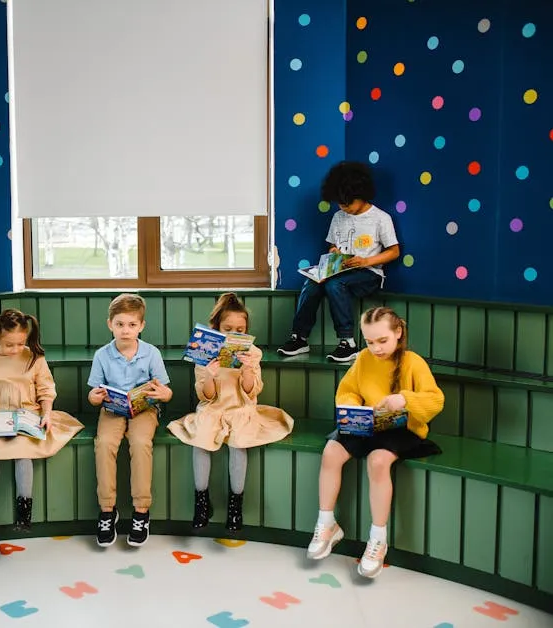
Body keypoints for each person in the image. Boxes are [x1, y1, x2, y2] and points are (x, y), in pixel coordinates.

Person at [306, 307, 444, 578]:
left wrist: (405, 399)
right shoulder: (364, 360)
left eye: (382, 341)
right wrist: (354, 407)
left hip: (403, 429)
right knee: (331, 451)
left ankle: (378, 538)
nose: (376, 348)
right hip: (368, 424)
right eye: (369, 341)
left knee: (378, 460)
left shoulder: (413, 362)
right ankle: (326, 523)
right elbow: (347, 391)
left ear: (398, 333)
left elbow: (435, 399)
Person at [167, 293, 294, 532]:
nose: (234, 333)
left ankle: (236, 505)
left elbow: (251, 391)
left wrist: (247, 369)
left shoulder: (252, 353)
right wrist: (210, 374)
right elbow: (205, 396)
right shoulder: (204, 351)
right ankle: (201, 501)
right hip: (213, 408)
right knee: (201, 438)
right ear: (216, 328)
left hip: (240, 408)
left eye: (240, 329)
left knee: (239, 442)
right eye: (228, 328)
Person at [0, 309, 83, 530]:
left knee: (23, 452)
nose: (15, 349)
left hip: (28, 415)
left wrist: (47, 413)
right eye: (9, 344)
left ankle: (24, 512)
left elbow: (46, 390)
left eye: (20, 344)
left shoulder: (34, 358)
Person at [277, 161, 400, 362]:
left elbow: (394, 251)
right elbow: (333, 246)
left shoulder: (380, 218)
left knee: (335, 284)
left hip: (369, 274)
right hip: (340, 270)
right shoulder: (338, 217)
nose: (343, 207)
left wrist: (366, 261)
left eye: (347, 203)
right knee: (312, 284)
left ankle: (348, 342)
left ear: (361, 196)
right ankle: (299, 337)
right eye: (340, 203)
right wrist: (333, 252)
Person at [88, 294, 172, 547]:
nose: (125, 330)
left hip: (144, 409)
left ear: (141, 326)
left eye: (132, 325)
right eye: (120, 324)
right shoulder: (102, 355)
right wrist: (95, 397)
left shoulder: (151, 354)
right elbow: (93, 395)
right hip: (112, 409)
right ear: (110, 324)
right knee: (104, 443)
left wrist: (162, 394)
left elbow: (166, 391)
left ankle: (141, 511)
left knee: (140, 443)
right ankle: (106, 509)